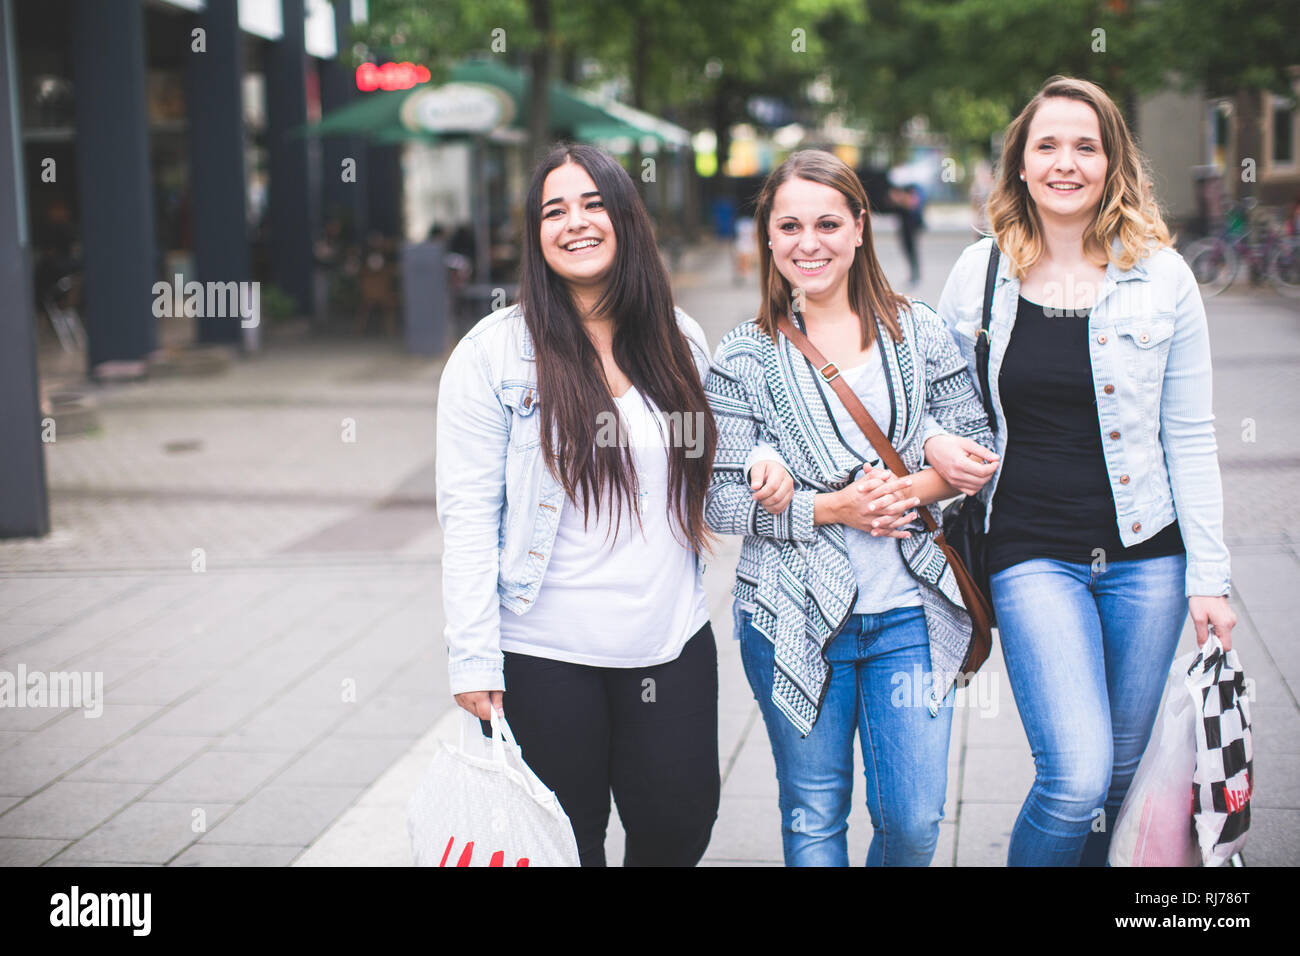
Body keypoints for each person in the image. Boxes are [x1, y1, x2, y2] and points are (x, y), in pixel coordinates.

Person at [435, 144, 793, 867]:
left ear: (627, 218)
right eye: (554, 210)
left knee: (679, 825)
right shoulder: (494, 356)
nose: (575, 222)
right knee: (567, 843)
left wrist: (763, 458)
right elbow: (468, 515)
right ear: (536, 236)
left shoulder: (679, 341)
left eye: (594, 204)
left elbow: (727, 452)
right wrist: (473, 658)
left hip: (669, 642)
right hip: (546, 654)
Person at [927, 75, 1235, 866]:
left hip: (1149, 558)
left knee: (1124, 780)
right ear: (1021, 166)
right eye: (1048, 146)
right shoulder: (980, 274)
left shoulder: (1163, 278)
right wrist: (935, 446)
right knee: (1076, 777)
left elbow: (1191, 435)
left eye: (1086, 146)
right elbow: (932, 401)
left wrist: (1211, 578)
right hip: (1031, 552)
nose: (1067, 162)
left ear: (1112, 164)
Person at [704, 149, 996, 866]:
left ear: (861, 227)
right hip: (792, 615)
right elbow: (719, 500)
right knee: (813, 815)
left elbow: (979, 446)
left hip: (909, 613)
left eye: (829, 223)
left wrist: (919, 486)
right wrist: (828, 508)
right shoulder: (743, 355)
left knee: (915, 822)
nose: (811, 243)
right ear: (768, 237)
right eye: (791, 226)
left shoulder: (918, 330)